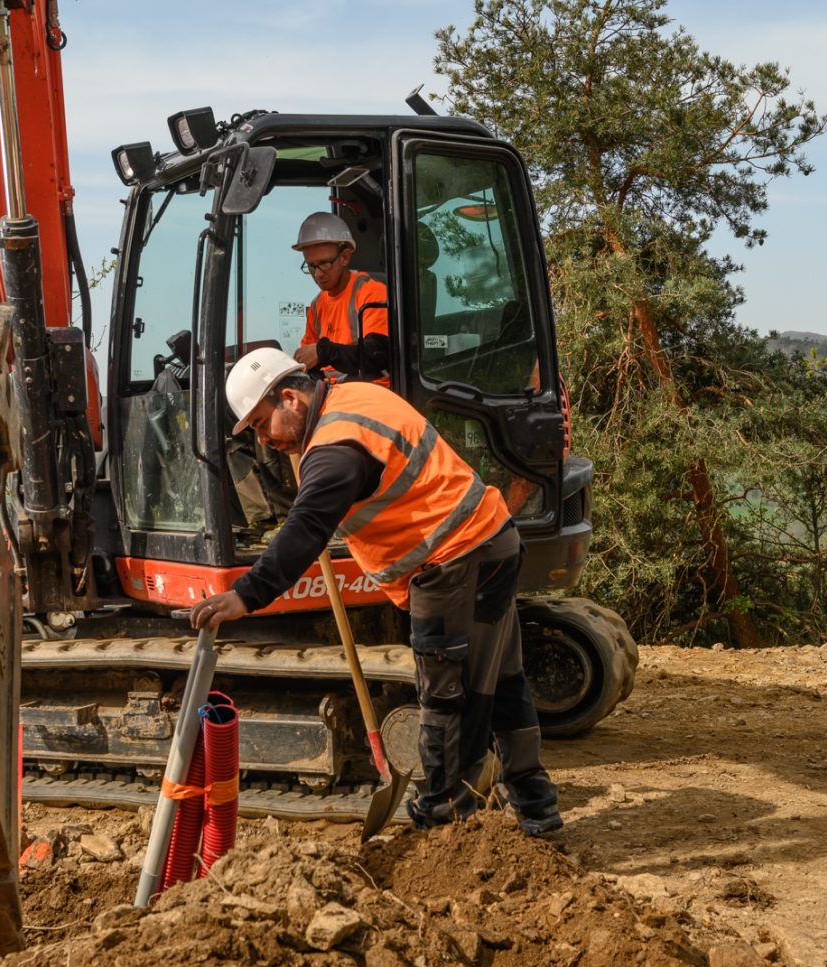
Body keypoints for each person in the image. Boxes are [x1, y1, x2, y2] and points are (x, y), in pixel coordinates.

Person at [189, 348, 562, 836]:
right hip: (489, 541)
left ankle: (445, 820)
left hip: (450, 562)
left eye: (262, 423)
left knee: (448, 698)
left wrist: (247, 594)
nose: (263, 439)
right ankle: (536, 810)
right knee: (502, 681)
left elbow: (306, 527)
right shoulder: (356, 398)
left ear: (291, 399)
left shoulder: (335, 446)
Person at [290, 212, 390, 381]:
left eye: (325, 263)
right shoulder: (317, 306)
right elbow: (308, 359)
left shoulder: (371, 292)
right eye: (311, 266)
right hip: (331, 391)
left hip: (369, 390)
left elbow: (375, 355)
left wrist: (324, 352)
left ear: (345, 257)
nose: (318, 274)